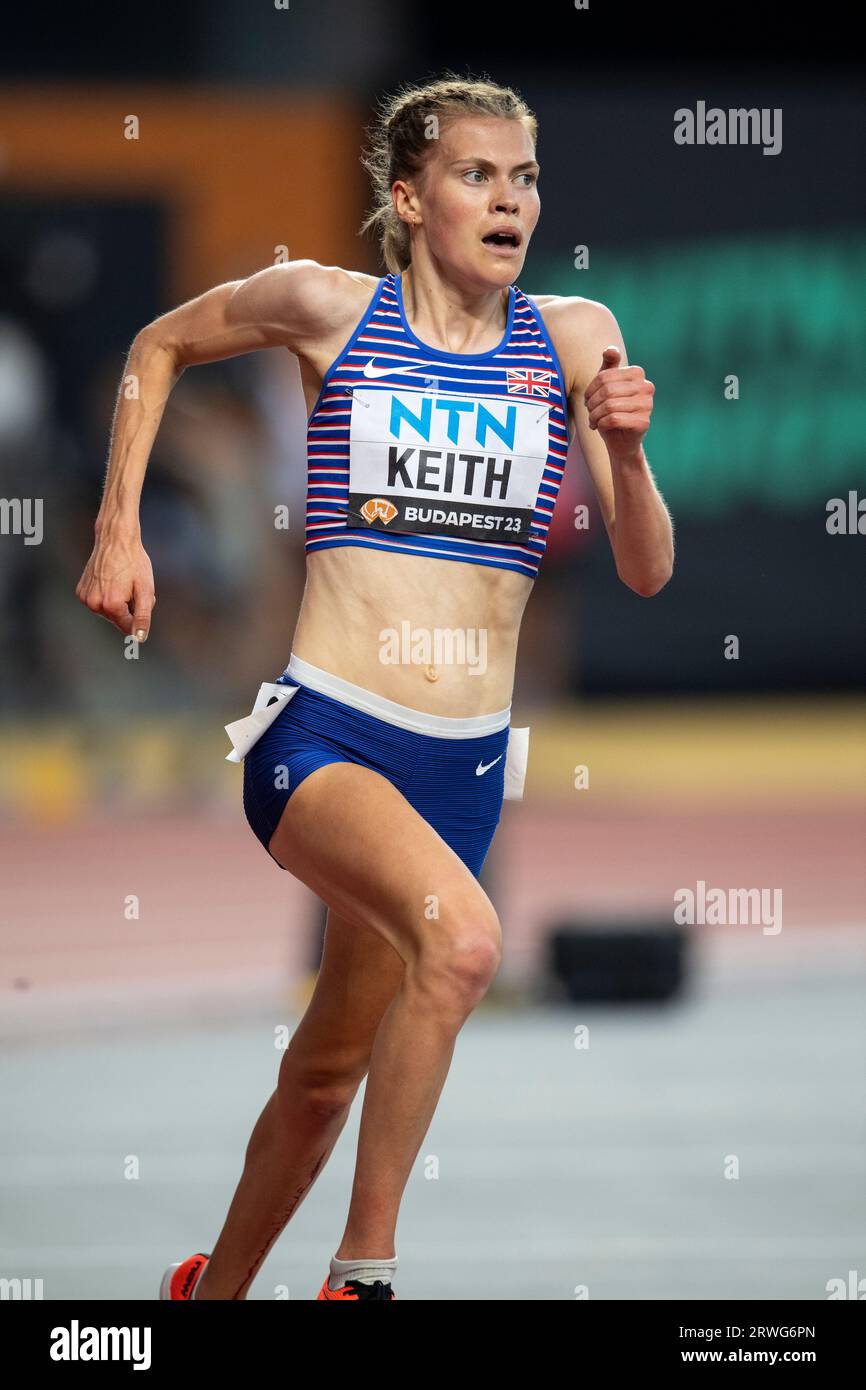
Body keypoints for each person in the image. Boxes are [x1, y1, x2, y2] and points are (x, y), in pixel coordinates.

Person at [76, 73, 673, 1301]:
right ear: (408, 198)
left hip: (459, 769)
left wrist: (620, 444)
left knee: (324, 1070)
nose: (509, 201)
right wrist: (117, 528)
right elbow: (159, 344)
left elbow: (646, 568)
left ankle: (208, 1293)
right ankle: (365, 1274)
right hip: (326, 735)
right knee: (462, 947)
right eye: (475, 175)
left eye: (524, 178)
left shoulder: (572, 337)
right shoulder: (329, 308)